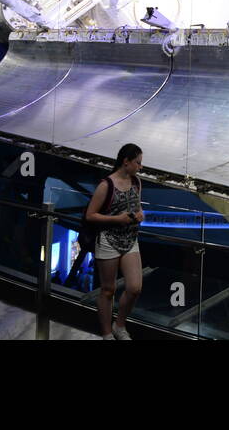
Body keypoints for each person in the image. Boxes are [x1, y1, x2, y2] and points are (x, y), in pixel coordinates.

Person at [84, 143, 145, 340]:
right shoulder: (106, 185)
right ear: (126, 162)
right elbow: (90, 215)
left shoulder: (136, 181)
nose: (140, 167)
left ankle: (119, 325)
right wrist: (116, 219)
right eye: (138, 162)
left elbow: (137, 205)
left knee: (134, 287)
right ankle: (107, 333)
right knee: (108, 290)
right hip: (108, 241)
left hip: (130, 240)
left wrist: (139, 214)